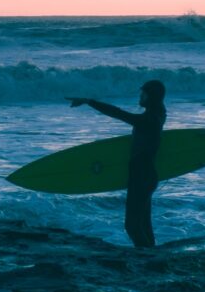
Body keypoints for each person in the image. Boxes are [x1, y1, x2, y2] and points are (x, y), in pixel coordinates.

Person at [67, 80, 167, 248]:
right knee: (143, 224)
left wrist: (90, 101)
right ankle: (151, 256)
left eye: (144, 94)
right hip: (146, 176)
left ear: (152, 97)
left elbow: (119, 114)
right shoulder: (158, 114)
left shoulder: (150, 120)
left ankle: (147, 257)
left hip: (141, 178)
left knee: (132, 225)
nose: (140, 97)